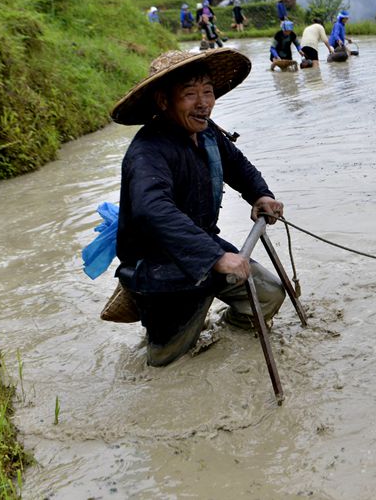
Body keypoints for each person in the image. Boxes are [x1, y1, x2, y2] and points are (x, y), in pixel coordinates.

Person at [110, 48, 287, 367]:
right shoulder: (147, 152)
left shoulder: (208, 136)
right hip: (162, 267)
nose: (203, 102)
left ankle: (228, 327)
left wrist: (260, 195)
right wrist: (216, 258)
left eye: (207, 91)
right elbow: (153, 210)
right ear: (164, 101)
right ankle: (173, 329)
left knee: (269, 294)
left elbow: (238, 165)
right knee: (168, 359)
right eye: (190, 94)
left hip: (203, 244)